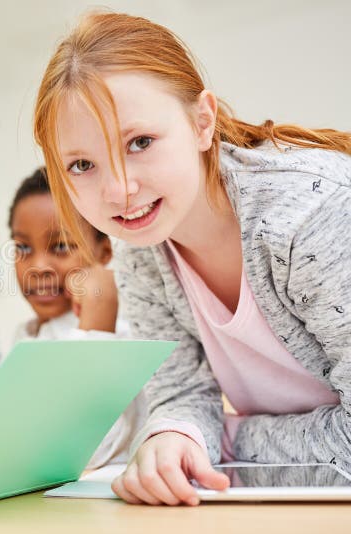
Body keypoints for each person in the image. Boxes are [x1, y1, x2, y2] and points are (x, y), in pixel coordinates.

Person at [33, 11, 351, 506]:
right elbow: (181, 394)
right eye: (82, 164)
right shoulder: (139, 246)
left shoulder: (310, 213)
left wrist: (220, 442)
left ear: (202, 122)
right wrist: (174, 437)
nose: (118, 191)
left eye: (140, 142)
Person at [9, 167, 141, 468]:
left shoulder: (121, 335)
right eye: (23, 248)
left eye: (61, 246)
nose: (38, 265)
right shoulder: (27, 336)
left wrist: (97, 323)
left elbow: (88, 456)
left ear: (104, 252)